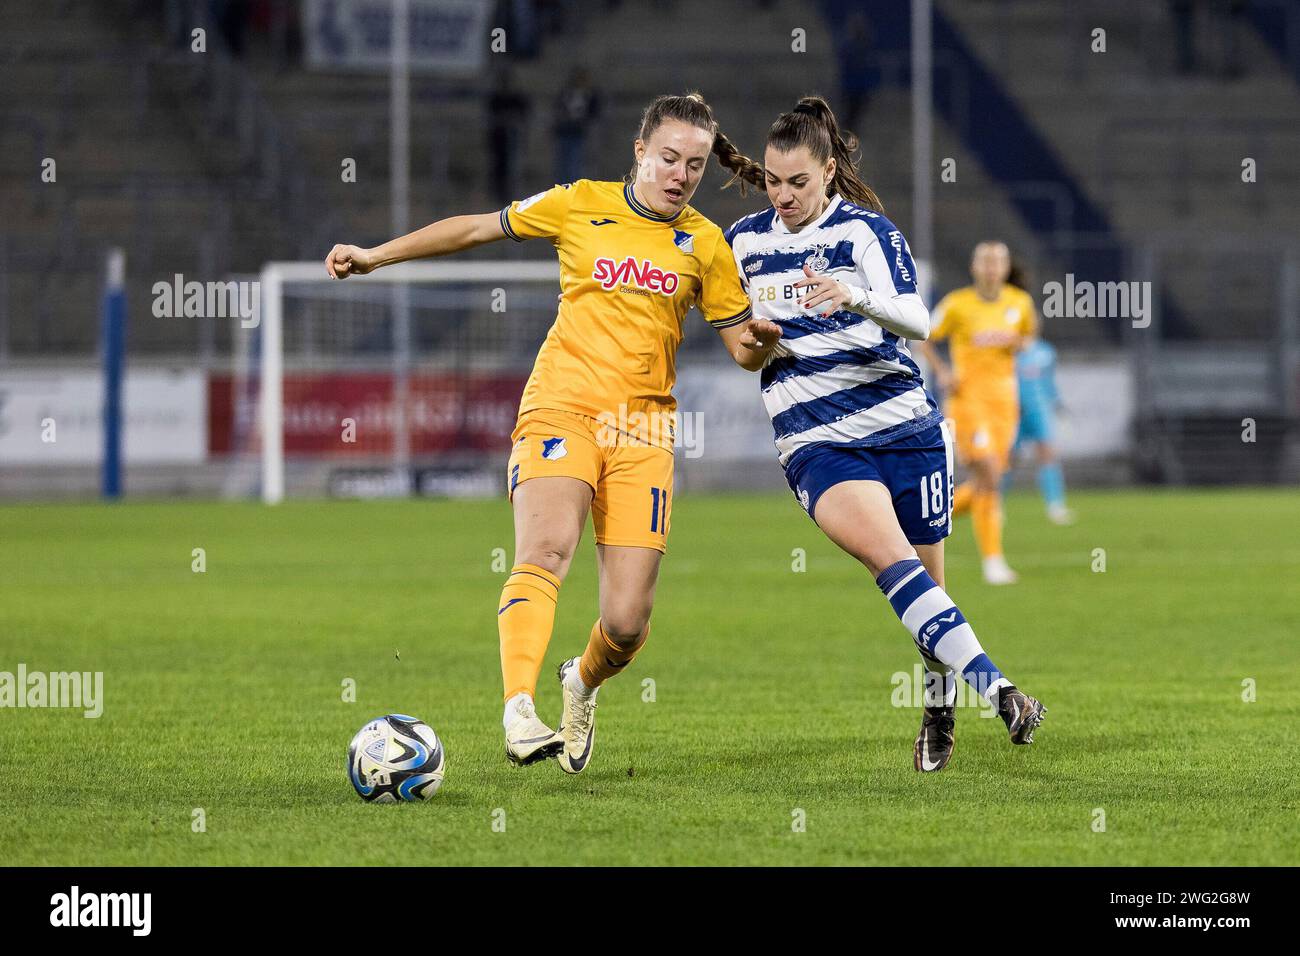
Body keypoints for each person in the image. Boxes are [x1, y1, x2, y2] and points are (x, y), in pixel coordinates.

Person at [325, 93, 763, 775]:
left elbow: (741, 347)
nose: (680, 175)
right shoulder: (578, 201)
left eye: (696, 166)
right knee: (547, 550)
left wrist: (761, 344)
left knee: (626, 622)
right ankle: (519, 712)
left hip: (643, 429)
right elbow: (476, 229)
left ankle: (580, 684)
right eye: (670, 158)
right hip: (561, 406)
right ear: (640, 151)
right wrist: (376, 256)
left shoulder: (707, 244)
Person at [718, 97, 1046, 773]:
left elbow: (918, 320)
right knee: (890, 563)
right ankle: (1002, 689)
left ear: (829, 171)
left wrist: (853, 295)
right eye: (775, 181)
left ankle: (938, 702)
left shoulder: (867, 233)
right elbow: (737, 344)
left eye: (799, 182)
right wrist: (754, 343)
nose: (783, 195)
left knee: (927, 592)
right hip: (816, 440)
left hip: (906, 428)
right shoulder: (743, 242)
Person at [920, 242, 1035, 585]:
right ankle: (993, 561)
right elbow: (924, 335)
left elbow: (1029, 337)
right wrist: (942, 371)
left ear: (1005, 266)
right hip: (968, 402)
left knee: (990, 482)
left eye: (998, 260)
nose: (991, 267)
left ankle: (922, 519)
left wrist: (1015, 342)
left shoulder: (1019, 302)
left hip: (1005, 404)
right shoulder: (957, 304)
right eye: (985, 261)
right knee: (987, 473)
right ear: (974, 267)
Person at [1015, 333, 1074, 525]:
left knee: (1048, 454)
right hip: (1013, 411)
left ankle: (1055, 505)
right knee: (1006, 460)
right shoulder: (1007, 349)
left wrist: (1057, 404)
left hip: (1039, 409)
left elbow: (1049, 382)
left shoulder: (1046, 351)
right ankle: (994, 505)